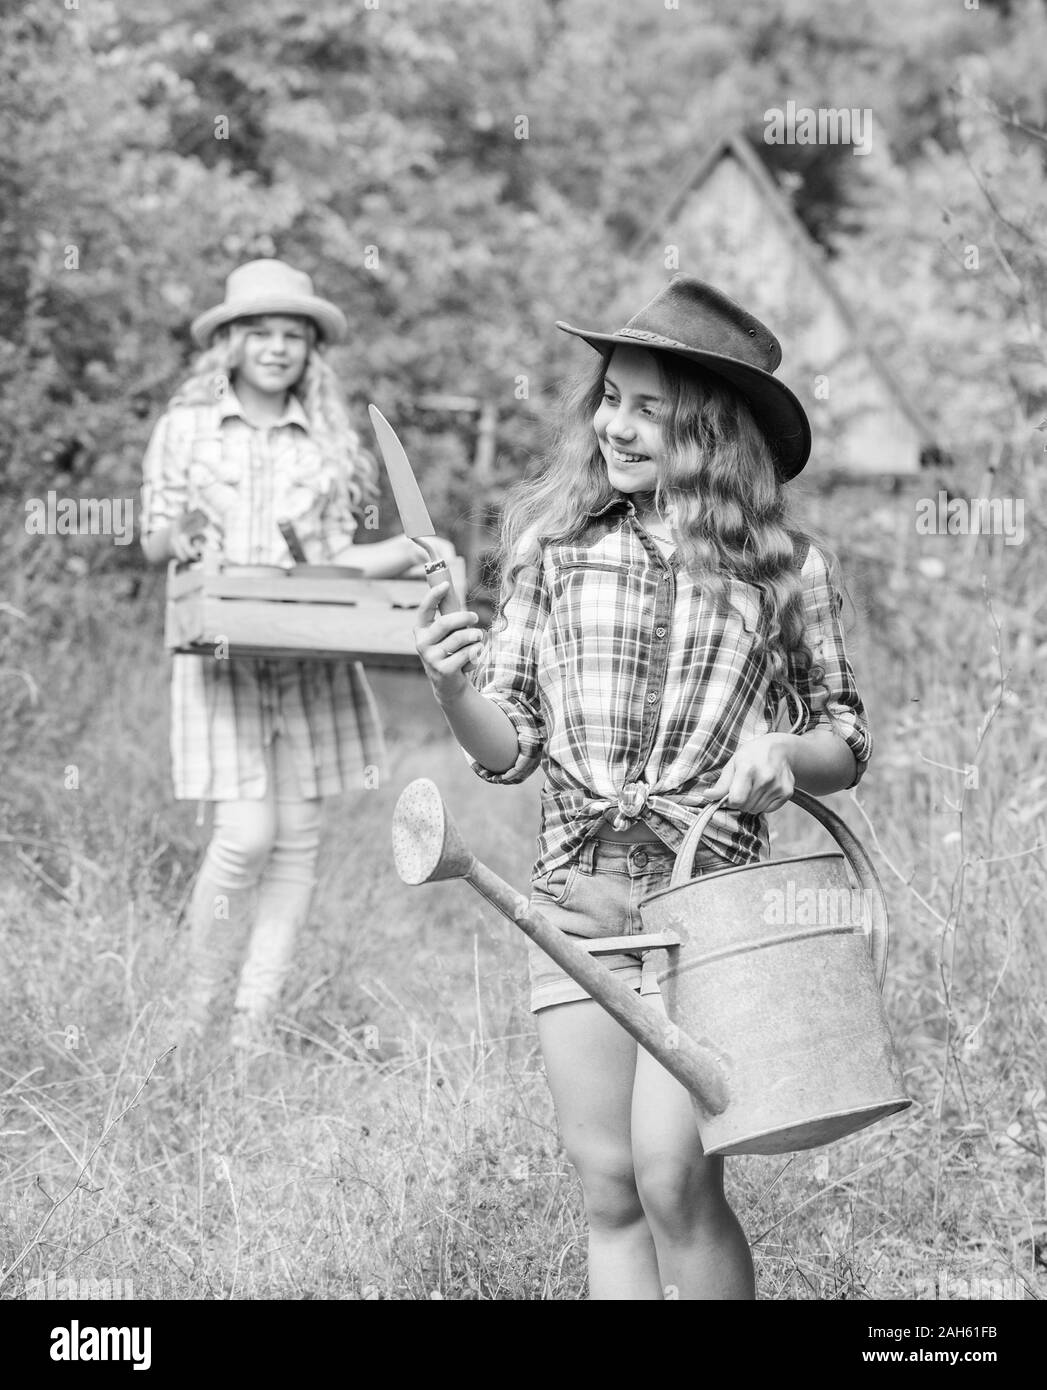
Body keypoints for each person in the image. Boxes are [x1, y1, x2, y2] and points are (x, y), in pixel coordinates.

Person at [412, 275, 872, 1300]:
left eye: (646, 408)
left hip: (709, 903)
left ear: (711, 430)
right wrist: (452, 688)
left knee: (676, 1176)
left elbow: (843, 736)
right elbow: (512, 740)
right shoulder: (554, 551)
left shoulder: (788, 568)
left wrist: (782, 759)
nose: (614, 424)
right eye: (608, 398)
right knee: (612, 1185)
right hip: (576, 896)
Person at [141, 258, 442, 1052]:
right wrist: (187, 536)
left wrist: (411, 551)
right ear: (231, 342)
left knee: (297, 841)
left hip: (308, 651)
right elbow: (153, 536)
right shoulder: (187, 428)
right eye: (262, 333)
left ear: (310, 350)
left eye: (294, 336)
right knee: (244, 835)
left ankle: (251, 1031)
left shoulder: (328, 442)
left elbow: (331, 559)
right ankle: (188, 1013)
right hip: (223, 651)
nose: (278, 348)